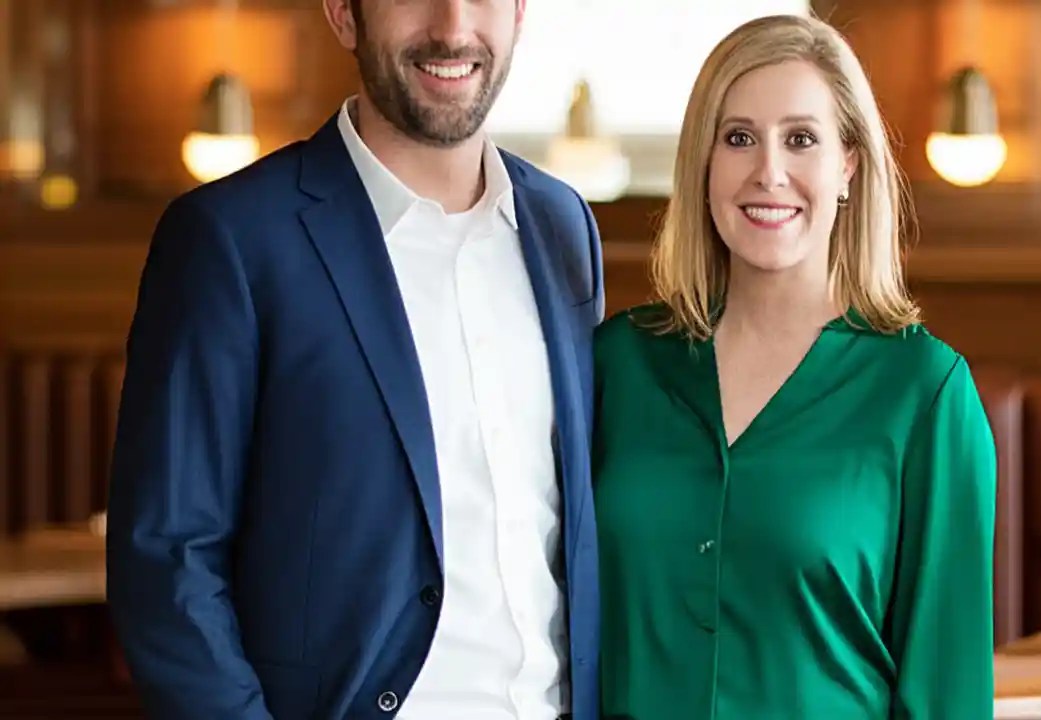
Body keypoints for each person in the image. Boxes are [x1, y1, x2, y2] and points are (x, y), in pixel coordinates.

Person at [106, 0, 604, 718]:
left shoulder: (563, 223)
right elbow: (168, 560)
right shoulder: (232, 240)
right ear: (343, 14)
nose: (454, 25)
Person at [592, 13, 996, 720]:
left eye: (801, 139)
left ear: (847, 165)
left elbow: (947, 694)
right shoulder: (615, 364)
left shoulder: (925, 395)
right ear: (704, 164)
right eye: (738, 137)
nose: (767, 172)